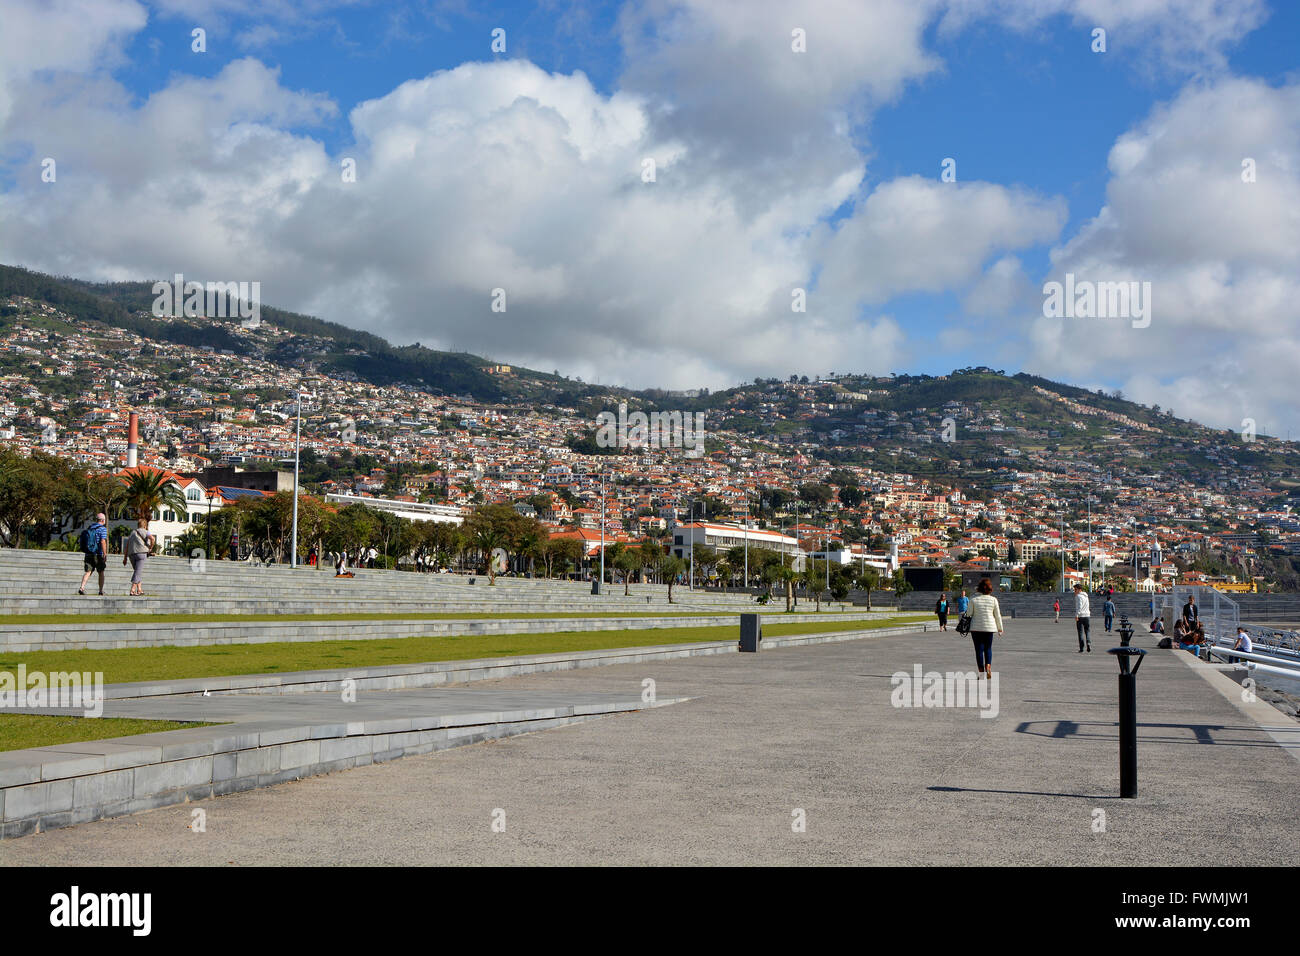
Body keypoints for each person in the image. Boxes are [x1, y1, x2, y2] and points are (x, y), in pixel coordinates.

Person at [968, 578, 1003, 681]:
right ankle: (988, 666)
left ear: (979, 588)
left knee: (979, 650)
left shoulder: (973, 599)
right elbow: (997, 616)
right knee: (988, 648)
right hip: (989, 628)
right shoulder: (993, 600)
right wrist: (1000, 628)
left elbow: (969, 613)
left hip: (976, 628)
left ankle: (981, 672)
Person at [78, 512, 109, 595]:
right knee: (101, 572)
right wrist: (105, 554)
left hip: (88, 553)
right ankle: (101, 590)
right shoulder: (103, 529)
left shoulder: (90, 527)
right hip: (98, 554)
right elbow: (103, 541)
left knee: (88, 571)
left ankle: (82, 587)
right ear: (103, 520)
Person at [122, 519, 154, 596]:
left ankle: (139, 589)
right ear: (145, 526)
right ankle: (132, 590)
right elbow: (152, 538)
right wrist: (151, 548)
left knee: (137, 571)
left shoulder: (132, 533)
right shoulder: (146, 531)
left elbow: (127, 546)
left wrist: (125, 558)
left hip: (131, 554)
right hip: (141, 554)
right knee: (138, 572)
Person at [1073, 583, 1091, 653]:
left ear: (1079, 589)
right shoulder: (1086, 596)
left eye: (1075, 589)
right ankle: (1088, 643)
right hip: (1087, 615)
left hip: (1080, 616)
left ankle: (1082, 648)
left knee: (1080, 632)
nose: (1075, 591)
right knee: (1087, 631)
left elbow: (1079, 607)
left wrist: (1077, 615)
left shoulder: (1078, 596)